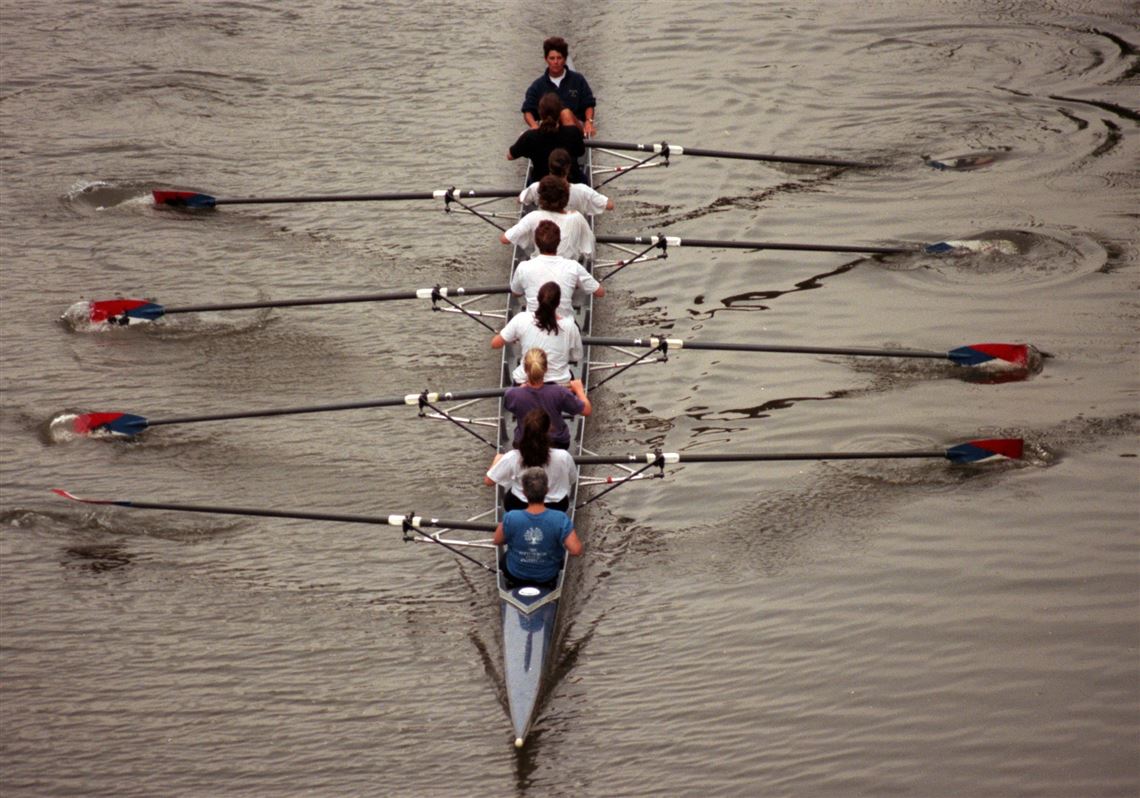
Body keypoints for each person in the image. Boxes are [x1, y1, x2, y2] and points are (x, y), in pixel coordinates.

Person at [493, 467, 583, 587]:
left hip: (515, 574)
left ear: (524, 493)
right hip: (548, 576)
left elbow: (497, 541)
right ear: (547, 491)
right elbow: (576, 550)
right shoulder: (560, 518)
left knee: (505, 557)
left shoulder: (511, 516)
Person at [485, 408, 577, 512]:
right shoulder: (564, 456)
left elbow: (489, 481)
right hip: (557, 506)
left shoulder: (512, 456)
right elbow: (572, 480)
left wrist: (497, 459)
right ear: (549, 428)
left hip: (519, 505)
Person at [492, 281, 582, 384]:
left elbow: (495, 344)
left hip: (525, 380)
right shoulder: (570, 326)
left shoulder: (521, 319)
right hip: (559, 383)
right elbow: (576, 356)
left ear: (538, 299)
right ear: (558, 303)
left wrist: (511, 337)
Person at [510, 221, 603, 319]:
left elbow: (516, 293)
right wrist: (576, 284)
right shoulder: (573, 266)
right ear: (559, 241)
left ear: (536, 242)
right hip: (564, 323)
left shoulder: (523, 267)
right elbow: (600, 292)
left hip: (533, 322)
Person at [504, 348, 590, 449]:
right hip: (556, 442)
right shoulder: (560, 392)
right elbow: (587, 411)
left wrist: (521, 389)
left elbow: (509, 405)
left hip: (524, 444)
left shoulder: (512, 394)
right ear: (546, 369)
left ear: (525, 370)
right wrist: (579, 390)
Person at [500, 175, 594, 260]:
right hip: (569, 267)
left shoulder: (532, 216)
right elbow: (589, 250)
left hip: (538, 266)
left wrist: (529, 236)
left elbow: (504, 239)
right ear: (566, 197)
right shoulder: (577, 217)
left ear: (541, 197)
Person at [521, 36, 596, 137]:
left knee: (565, 113)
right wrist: (534, 126)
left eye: (559, 58)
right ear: (546, 59)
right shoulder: (537, 86)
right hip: (548, 130)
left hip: (574, 131)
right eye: (552, 58)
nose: (556, 62)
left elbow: (589, 104)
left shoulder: (578, 80)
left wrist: (589, 122)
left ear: (564, 59)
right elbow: (527, 111)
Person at [508, 93, 585, 183]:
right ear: (560, 113)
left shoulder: (529, 136)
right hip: (571, 182)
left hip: (541, 184)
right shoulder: (573, 131)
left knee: (530, 182)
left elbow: (510, 156)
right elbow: (581, 152)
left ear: (540, 113)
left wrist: (523, 141)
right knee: (584, 179)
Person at [519, 148, 613, 215]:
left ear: (549, 167)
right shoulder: (583, 190)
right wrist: (589, 198)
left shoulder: (537, 187)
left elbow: (520, 199)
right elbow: (609, 205)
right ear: (568, 169)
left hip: (546, 232)